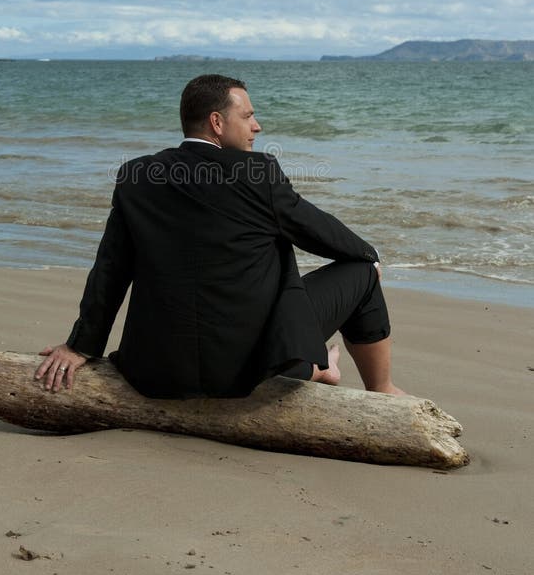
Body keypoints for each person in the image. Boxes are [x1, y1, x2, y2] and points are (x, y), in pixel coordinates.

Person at [35, 74, 404, 398]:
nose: (257, 126)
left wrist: (80, 346)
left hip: (154, 372)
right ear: (216, 122)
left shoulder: (137, 176)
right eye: (247, 116)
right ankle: (380, 389)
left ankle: (319, 368)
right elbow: (318, 231)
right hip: (246, 374)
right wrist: (369, 255)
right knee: (362, 269)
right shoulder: (259, 173)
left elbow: (110, 270)